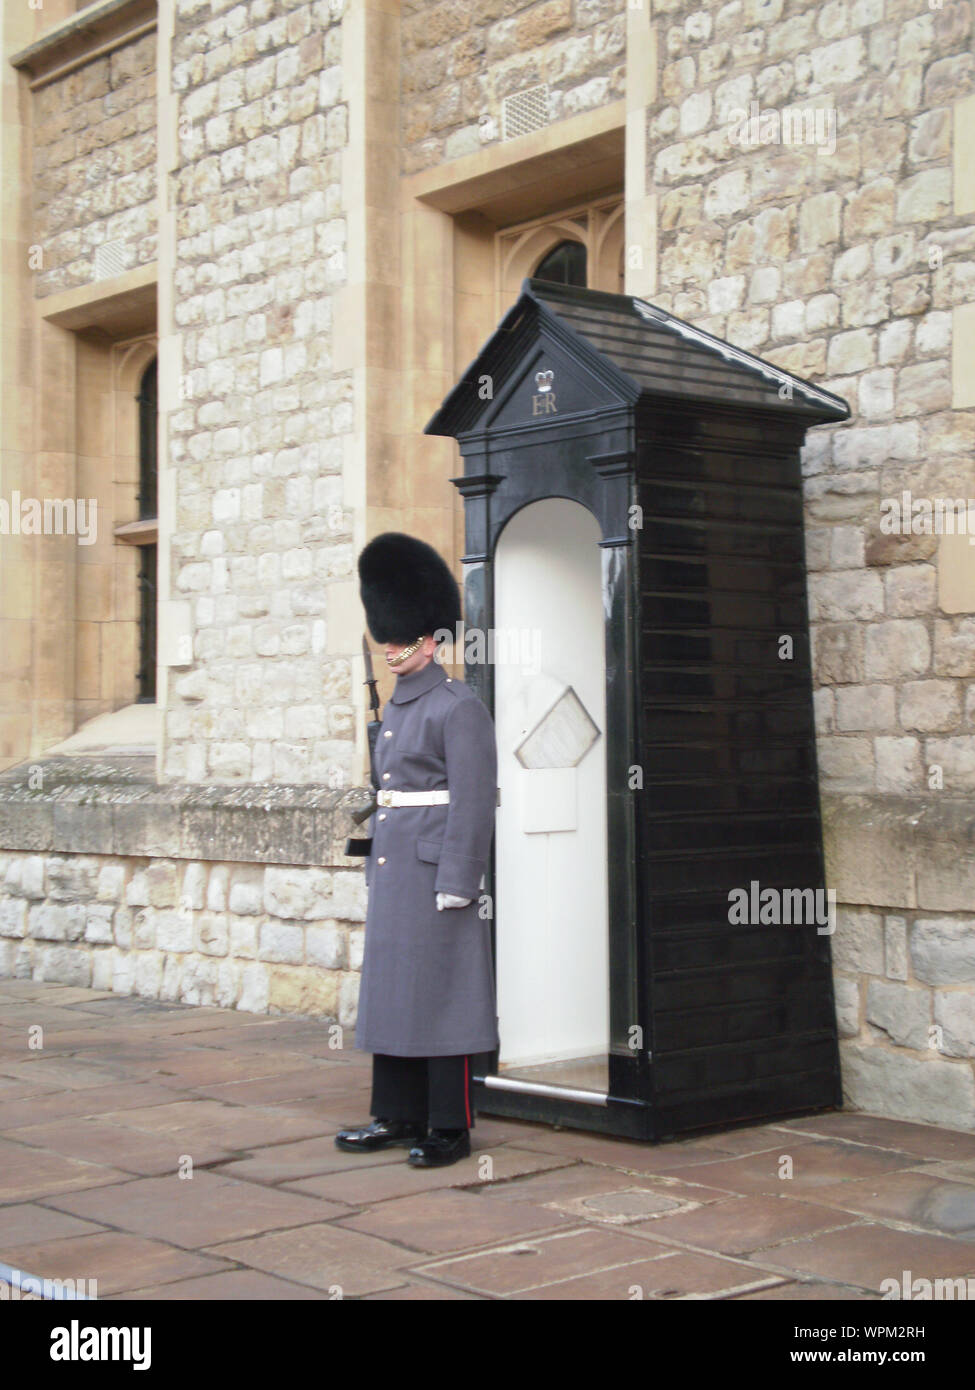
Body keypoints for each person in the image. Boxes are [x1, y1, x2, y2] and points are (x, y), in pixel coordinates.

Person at [335, 532, 500, 1168]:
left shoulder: (457, 707)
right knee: (396, 991)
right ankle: (395, 1115)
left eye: (403, 637)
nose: (392, 647)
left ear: (431, 639)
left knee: (445, 995)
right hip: (396, 865)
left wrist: (460, 875)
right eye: (388, 637)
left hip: (436, 870)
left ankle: (449, 1126)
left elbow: (473, 798)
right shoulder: (399, 706)